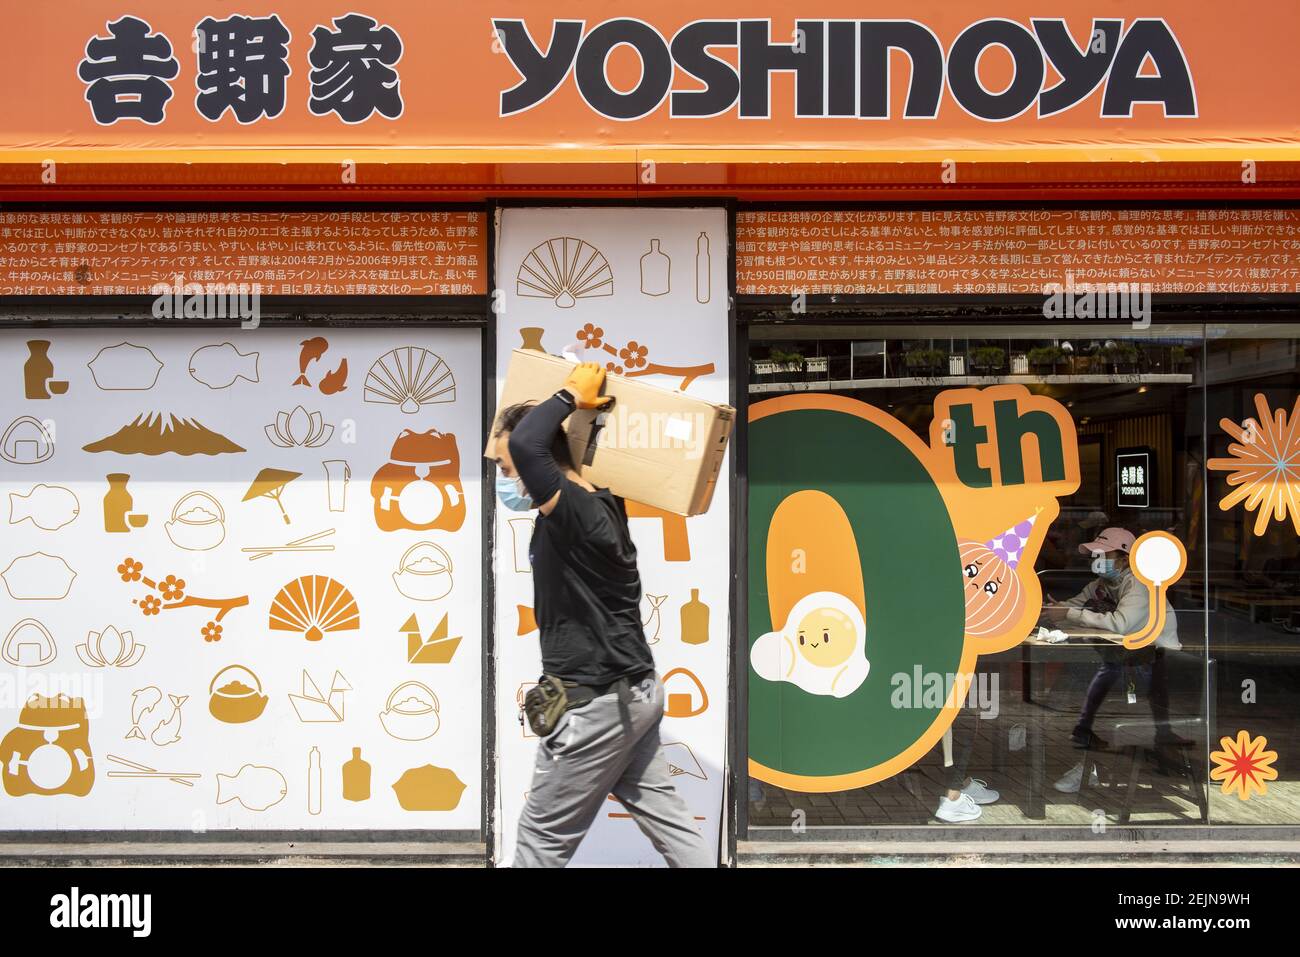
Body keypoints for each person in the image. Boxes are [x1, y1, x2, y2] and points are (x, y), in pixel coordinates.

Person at [488, 361, 713, 868]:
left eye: (505, 469)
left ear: (537, 462)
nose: (505, 478)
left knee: (540, 839)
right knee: (670, 823)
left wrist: (571, 395)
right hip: (633, 694)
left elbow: (527, 444)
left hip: (596, 706)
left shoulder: (571, 510)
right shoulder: (601, 503)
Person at [1040, 527, 1179, 794]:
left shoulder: (1138, 583)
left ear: (1125, 558)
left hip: (1151, 657)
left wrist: (1070, 614)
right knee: (1094, 673)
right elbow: (1077, 604)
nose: (1098, 558)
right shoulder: (1102, 584)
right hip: (1126, 655)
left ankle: (1090, 752)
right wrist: (1059, 609)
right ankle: (1085, 737)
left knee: (1087, 677)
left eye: (1105, 553)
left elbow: (1121, 624)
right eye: (1096, 554)